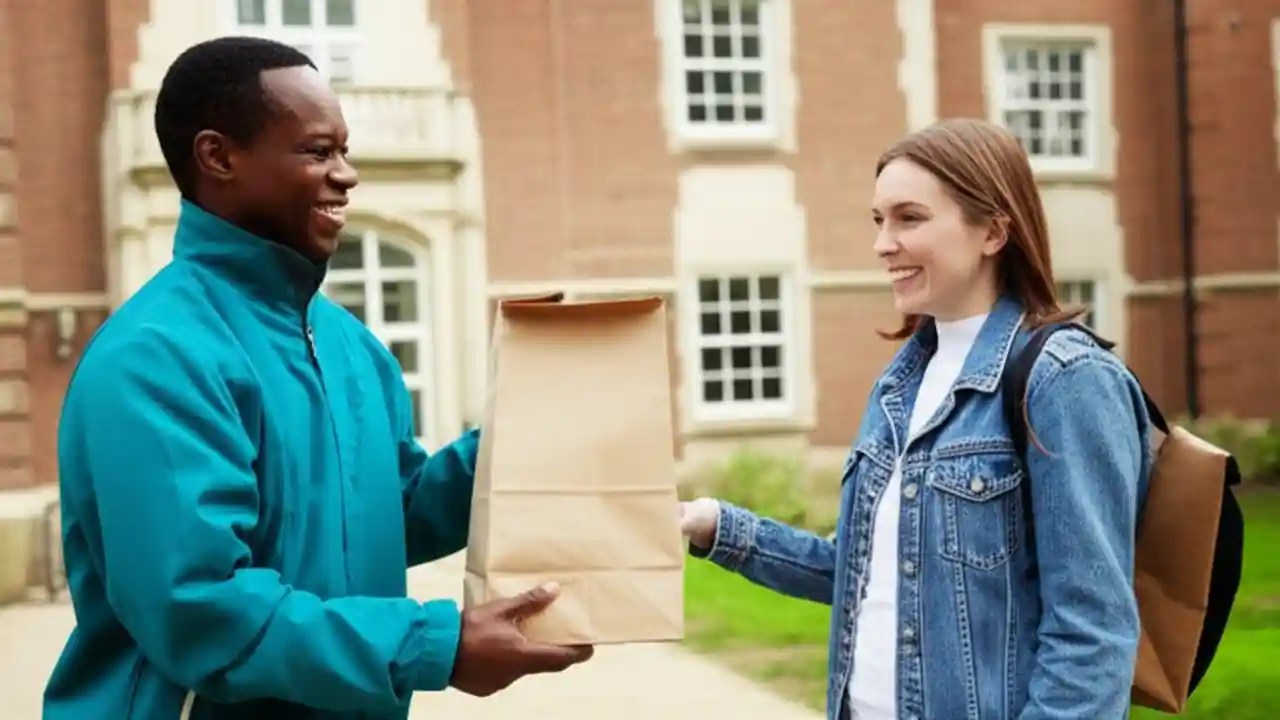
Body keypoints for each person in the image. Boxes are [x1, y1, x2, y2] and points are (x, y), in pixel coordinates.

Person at [43, 36, 592, 720]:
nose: (346, 174)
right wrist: (436, 646)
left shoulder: (351, 346)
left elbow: (390, 515)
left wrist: (530, 432)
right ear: (219, 157)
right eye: (316, 151)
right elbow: (200, 608)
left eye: (345, 151)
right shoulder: (154, 357)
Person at [681, 118, 1153, 720]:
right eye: (878, 221)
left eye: (909, 218)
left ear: (992, 232)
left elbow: (1093, 634)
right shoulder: (904, 381)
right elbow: (865, 572)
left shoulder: (1065, 381)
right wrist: (718, 526)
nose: (883, 243)